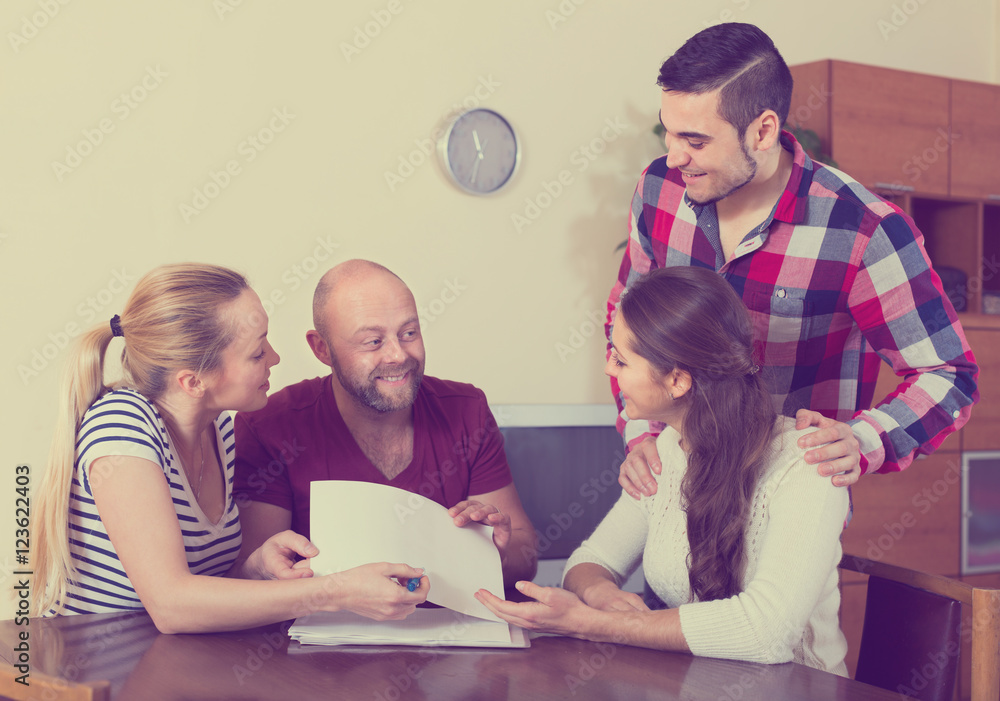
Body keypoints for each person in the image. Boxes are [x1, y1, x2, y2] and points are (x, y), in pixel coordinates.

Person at [612, 23, 978, 500]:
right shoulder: (657, 189)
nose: (674, 155)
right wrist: (638, 434)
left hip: (788, 500)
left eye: (696, 141)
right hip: (672, 487)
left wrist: (866, 440)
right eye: (669, 133)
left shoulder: (864, 231)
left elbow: (947, 375)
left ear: (763, 130)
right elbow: (628, 315)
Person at [477, 266, 850, 673]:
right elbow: (590, 561)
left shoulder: (807, 463)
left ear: (676, 381)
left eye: (620, 360)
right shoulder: (666, 450)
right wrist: (601, 595)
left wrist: (596, 623)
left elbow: (766, 633)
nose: (608, 370)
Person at [31, 263, 428, 632]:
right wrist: (337, 592)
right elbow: (172, 606)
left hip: (164, 668)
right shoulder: (122, 426)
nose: (275, 358)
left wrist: (253, 569)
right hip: (89, 674)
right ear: (193, 382)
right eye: (257, 353)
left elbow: (201, 594)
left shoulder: (217, 428)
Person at [232, 259, 537, 586]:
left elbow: (526, 558)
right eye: (373, 341)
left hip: (451, 632)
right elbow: (255, 581)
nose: (398, 355)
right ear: (322, 348)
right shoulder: (270, 425)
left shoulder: (466, 410)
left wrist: (496, 552)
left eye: (409, 333)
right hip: (326, 631)